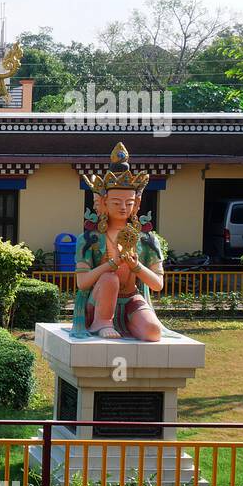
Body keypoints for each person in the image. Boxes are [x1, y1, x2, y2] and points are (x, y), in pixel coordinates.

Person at [73, 143, 164, 341]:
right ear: (103, 202)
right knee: (109, 278)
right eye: (116, 202)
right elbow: (82, 283)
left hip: (131, 297)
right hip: (98, 301)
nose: (123, 207)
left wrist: (136, 266)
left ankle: (128, 322)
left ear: (136, 204)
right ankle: (102, 322)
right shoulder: (89, 239)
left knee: (152, 332)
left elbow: (158, 285)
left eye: (129, 203)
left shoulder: (147, 240)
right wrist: (111, 265)